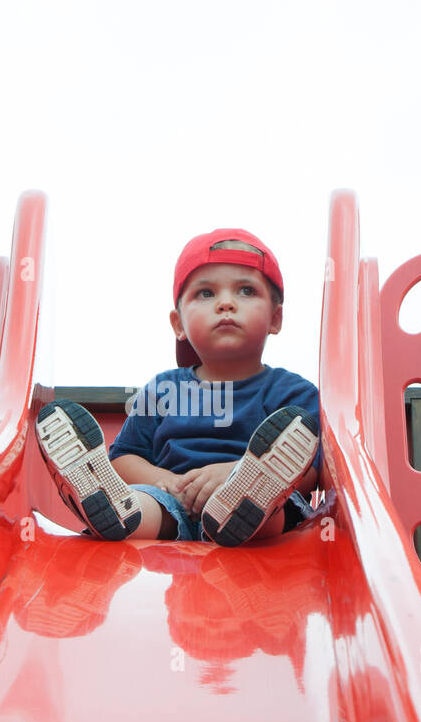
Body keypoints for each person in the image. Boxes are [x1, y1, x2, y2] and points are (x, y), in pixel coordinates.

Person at [35, 228, 321, 546]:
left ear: (275, 318)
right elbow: (125, 457)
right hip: (173, 501)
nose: (226, 303)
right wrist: (168, 483)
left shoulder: (293, 393)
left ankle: (244, 507)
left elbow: (309, 470)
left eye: (246, 291)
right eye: (206, 294)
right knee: (149, 504)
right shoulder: (163, 389)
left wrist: (236, 474)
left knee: (278, 507)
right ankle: (113, 509)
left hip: (259, 505)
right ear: (178, 324)